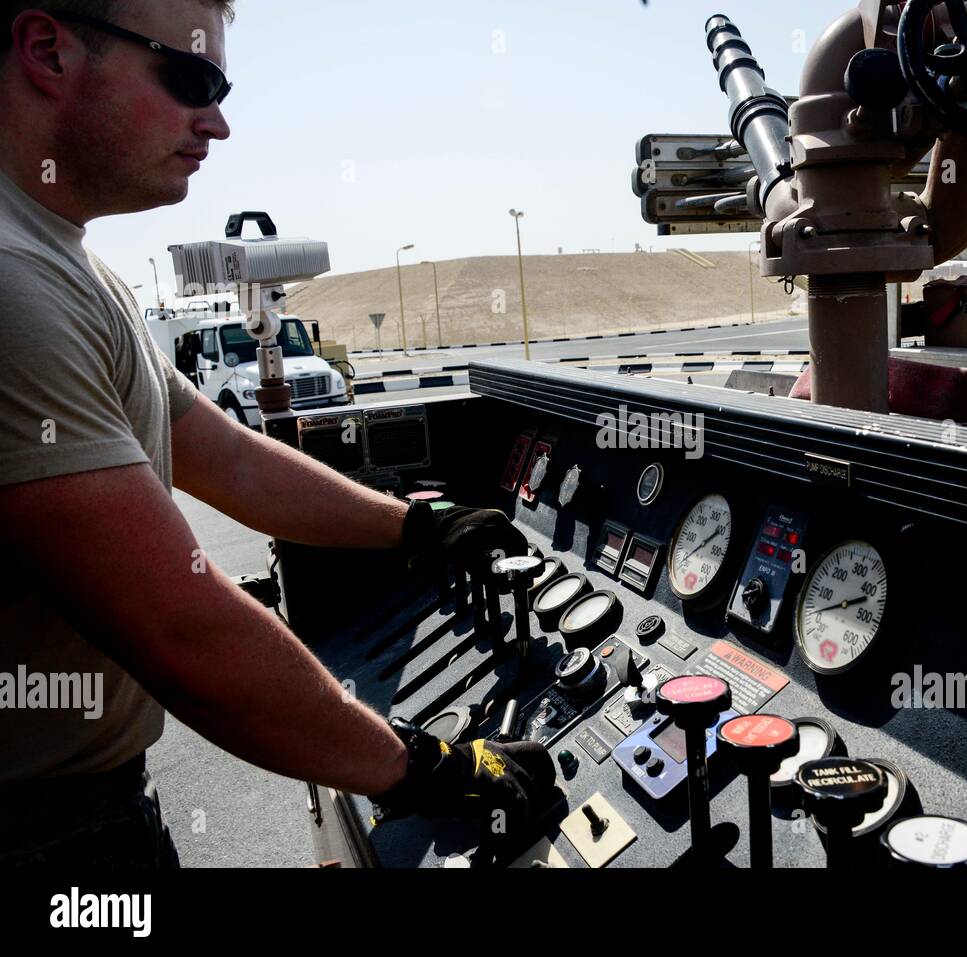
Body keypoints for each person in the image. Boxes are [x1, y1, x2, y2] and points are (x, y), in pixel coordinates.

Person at [0, 0, 553, 868]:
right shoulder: (13, 285)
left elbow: (222, 454)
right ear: (48, 50)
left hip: (89, 804)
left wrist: (415, 524)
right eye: (191, 79)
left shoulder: (65, 262)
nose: (217, 120)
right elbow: (178, 627)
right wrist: (420, 767)